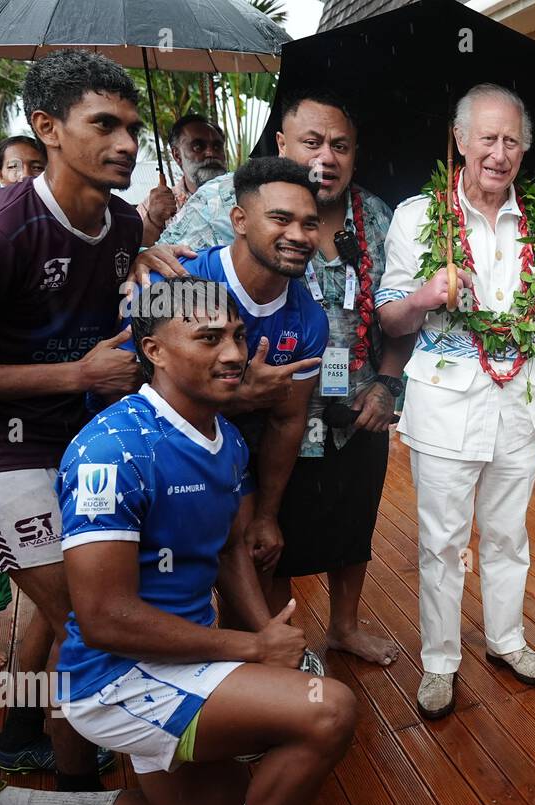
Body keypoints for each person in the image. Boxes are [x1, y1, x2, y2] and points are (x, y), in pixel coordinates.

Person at [0, 277, 357, 805]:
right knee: (328, 709)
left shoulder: (223, 436)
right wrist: (252, 646)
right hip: (115, 678)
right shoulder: (114, 450)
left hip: (184, 660)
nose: (233, 354)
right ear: (154, 351)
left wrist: (268, 633)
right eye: (208, 339)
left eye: (237, 336)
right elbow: (100, 619)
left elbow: (229, 550)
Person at [159, 91, 403, 667]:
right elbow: (165, 276)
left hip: (354, 402)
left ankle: (343, 627)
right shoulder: (223, 198)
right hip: (258, 408)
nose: (327, 156)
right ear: (282, 145)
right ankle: (277, 647)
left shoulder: (377, 217)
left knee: (352, 522)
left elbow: (398, 313)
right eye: (313, 142)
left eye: (340, 146)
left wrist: (389, 384)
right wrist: (148, 254)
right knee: (265, 537)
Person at [0, 51, 145, 783]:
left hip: (81, 439)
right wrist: (77, 373)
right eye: (104, 124)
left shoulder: (128, 225)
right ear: (47, 128)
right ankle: (76, 785)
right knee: (90, 611)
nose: (127, 142)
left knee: (73, 597)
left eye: (132, 127)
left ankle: (19, 731)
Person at [376, 84, 535, 719]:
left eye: (512, 140)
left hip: (522, 402)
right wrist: (428, 296)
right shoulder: (416, 217)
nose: (499, 152)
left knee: (510, 535)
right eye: (487, 137)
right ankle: (439, 662)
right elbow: (390, 320)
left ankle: (507, 640)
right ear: (459, 141)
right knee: (441, 541)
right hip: (446, 405)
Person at [133, 158, 328, 616]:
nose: (299, 235)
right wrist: (238, 398)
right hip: (145, 463)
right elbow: (123, 390)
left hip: (233, 461)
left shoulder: (309, 318)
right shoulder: (177, 284)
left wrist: (266, 516)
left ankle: (250, 662)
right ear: (239, 220)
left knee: (256, 556)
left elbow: (287, 417)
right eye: (281, 219)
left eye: (309, 223)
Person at [137, 113, 228, 246]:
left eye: (217, 147)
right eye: (198, 146)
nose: (210, 153)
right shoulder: (152, 207)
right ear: (177, 156)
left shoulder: (244, 194)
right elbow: (135, 257)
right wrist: (153, 221)